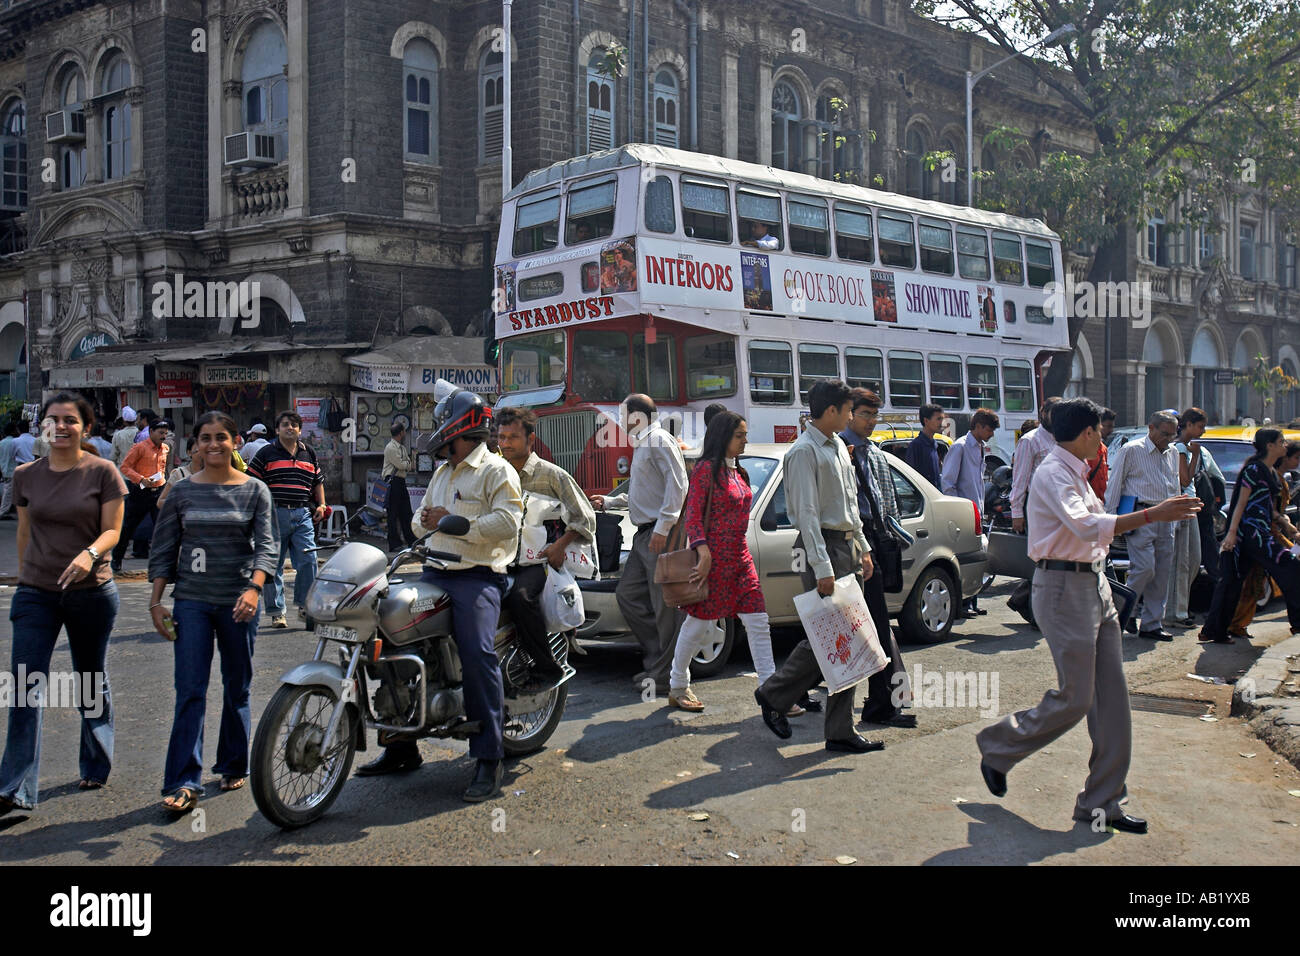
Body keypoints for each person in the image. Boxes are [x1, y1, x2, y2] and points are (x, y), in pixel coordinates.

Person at [977, 398, 1200, 834]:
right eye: (1099, 432)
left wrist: (1151, 513)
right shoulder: (1053, 473)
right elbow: (1085, 527)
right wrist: (1154, 514)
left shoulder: (1078, 472)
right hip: (1062, 589)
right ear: (1085, 433)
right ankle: (998, 744)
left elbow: (1100, 522)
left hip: (1093, 585)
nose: (1103, 440)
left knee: (1112, 702)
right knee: (1077, 697)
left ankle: (1103, 801)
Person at [357, 387, 523, 803]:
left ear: (462, 428)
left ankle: (489, 757)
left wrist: (457, 523)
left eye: (443, 424)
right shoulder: (442, 472)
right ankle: (400, 746)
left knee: (478, 653)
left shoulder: (495, 471)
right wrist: (428, 521)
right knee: (387, 634)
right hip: (433, 569)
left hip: (478, 575)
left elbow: (508, 522)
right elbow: (418, 522)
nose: (437, 434)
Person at [0, 393, 126, 816]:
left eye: (70, 420)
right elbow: (23, 532)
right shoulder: (25, 476)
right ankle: (15, 787)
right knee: (23, 686)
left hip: (91, 591)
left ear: (85, 428)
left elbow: (112, 531)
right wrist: (25, 576)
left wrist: (89, 554)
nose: (61, 426)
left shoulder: (103, 472)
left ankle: (95, 760)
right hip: (37, 592)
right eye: (53, 419)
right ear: (43, 427)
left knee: (90, 679)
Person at [149, 412, 276, 813]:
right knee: (190, 691)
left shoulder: (256, 491)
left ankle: (232, 762)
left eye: (222, 437)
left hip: (240, 603)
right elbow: (164, 549)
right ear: (196, 444)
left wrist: (255, 589)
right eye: (206, 438)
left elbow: (267, 547)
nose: (214, 444)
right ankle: (183, 780)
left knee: (237, 686)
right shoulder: (182, 491)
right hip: (192, 603)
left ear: (236, 442)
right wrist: (156, 601)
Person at [753, 379, 885, 754]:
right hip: (823, 549)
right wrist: (822, 565)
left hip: (845, 547)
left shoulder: (839, 447)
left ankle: (838, 728)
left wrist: (863, 547)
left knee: (849, 641)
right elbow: (807, 517)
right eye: (847, 410)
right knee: (830, 638)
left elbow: (849, 505)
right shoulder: (803, 452)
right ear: (831, 411)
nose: (851, 416)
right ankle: (775, 694)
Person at [665, 412, 777, 711]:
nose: (745, 440)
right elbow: (693, 517)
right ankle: (678, 685)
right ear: (723, 437)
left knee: (758, 622)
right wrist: (702, 552)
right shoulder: (705, 470)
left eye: (745, 435)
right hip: (712, 561)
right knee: (698, 624)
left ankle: (771, 691)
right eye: (739, 435)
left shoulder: (739, 472)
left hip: (740, 558)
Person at [590, 394, 688, 694]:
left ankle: (666, 674)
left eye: (623, 414)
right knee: (628, 595)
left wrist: (664, 526)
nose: (620, 421)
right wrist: (609, 501)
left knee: (665, 608)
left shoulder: (659, 440)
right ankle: (659, 660)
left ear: (637, 416)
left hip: (659, 535)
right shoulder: (644, 443)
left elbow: (679, 484)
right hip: (644, 535)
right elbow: (644, 493)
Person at [496, 407, 596, 691]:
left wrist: (560, 545)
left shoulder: (552, 476)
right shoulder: (493, 473)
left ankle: (546, 667)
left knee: (521, 598)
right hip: (498, 560)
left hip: (537, 563)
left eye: (513, 437)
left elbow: (585, 517)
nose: (505, 443)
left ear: (531, 439)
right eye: (501, 437)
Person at [842, 388, 915, 728]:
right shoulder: (839, 449)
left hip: (875, 541)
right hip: (853, 545)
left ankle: (886, 700)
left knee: (874, 624)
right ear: (848, 413)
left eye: (875, 416)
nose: (871, 422)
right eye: (865, 415)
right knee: (865, 626)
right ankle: (783, 691)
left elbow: (885, 505)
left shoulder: (873, 452)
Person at [1199, 430, 1300, 644]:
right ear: (1270, 446)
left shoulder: (1270, 471)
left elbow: (1265, 506)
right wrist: (1232, 534)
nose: (1285, 446)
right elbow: (1241, 503)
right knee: (1290, 567)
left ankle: (1216, 631)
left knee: (1233, 582)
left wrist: (1284, 523)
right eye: (1281, 442)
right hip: (1249, 535)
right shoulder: (1253, 470)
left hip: (1260, 532)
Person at [247, 411, 327, 630]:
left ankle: (305, 606)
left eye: (294, 425)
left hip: (303, 514)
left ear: (300, 430)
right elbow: (252, 482)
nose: (289, 428)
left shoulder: (308, 453)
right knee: (273, 564)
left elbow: (318, 480)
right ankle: (276, 612)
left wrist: (321, 504)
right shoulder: (266, 453)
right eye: (285, 424)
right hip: (274, 515)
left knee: (309, 561)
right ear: (277, 429)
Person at [1104, 410, 1181, 640]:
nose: (1168, 439)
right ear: (1152, 428)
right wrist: (1110, 520)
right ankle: (1122, 614)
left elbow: (1174, 483)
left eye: (1172, 435)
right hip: (1140, 514)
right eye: (1165, 433)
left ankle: (1151, 624)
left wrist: (1176, 515)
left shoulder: (1173, 452)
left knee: (1162, 572)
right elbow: (1115, 484)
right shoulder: (1132, 450)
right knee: (1144, 568)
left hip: (1165, 516)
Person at [1225, 440, 1300, 638]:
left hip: (1269, 533)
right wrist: (1287, 529)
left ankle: (1237, 623)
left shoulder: (1279, 477)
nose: (1298, 462)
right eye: (1296, 457)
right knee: (1255, 579)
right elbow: (1268, 509)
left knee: (1255, 580)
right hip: (1263, 535)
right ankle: (1235, 623)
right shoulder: (1265, 475)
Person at [1007, 396, 1062, 625]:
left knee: (1056, 562)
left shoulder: (1063, 439)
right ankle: (1036, 611)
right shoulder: (1030, 441)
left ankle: (1025, 600)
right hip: (1036, 507)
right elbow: (1019, 479)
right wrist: (1017, 513)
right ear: (1043, 413)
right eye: (1054, 413)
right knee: (1041, 562)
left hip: (1060, 509)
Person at [942, 407, 1000, 617]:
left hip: (976, 511)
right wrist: (959, 510)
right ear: (978, 426)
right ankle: (963, 604)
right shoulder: (960, 446)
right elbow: (948, 482)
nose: (991, 434)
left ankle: (972, 602)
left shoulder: (979, 447)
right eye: (989, 429)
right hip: (964, 513)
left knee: (975, 559)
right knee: (964, 559)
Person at [111, 418, 172, 572]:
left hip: (158, 491)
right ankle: (116, 559)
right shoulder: (139, 448)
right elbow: (125, 467)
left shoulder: (165, 448)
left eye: (165, 433)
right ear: (151, 432)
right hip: (140, 491)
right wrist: (141, 479)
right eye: (160, 433)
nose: (163, 436)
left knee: (162, 528)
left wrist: (164, 483)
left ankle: (165, 563)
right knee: (128, 527)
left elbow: (163, 469)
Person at [1167, 408, 1209, 627]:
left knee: (1191, 559)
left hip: (1188, 506)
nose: (1202, 431)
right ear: (1189, 424)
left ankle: (1177, 609)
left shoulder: (1183, 447)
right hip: (1183, 505)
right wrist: (1196, 455)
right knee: (1184, 561)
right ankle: (1177, 613)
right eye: (1200, 426)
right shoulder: (1181, 447)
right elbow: (1185, 479)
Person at [382, 422, 418, 553]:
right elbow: (403, 464)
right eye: (404, 431)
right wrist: (408, 464)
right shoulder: (391, 447)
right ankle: (394, 543)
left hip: (401, 481)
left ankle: (411, 540)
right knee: (392, 514)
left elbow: (406, 462)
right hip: (393, 482)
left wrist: (407, 464)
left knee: (406, 512)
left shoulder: (401, 448)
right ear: (401, 432)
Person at [904, 404, 944, 489]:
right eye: (938, 419)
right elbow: (911, 478)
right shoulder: (916, 446)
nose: (941, 423)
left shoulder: (934, 444)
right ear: (926, 421)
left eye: (942, 419)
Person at [1087, 408, 1116, 500]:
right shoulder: (1084, 449)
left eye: (1112, 427)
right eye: (1108, 426)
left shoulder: (1104, 449)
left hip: (1101, 503)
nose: (1111, 430)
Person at [0, 421, 18, 518]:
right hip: (13, 470)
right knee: (8, 492)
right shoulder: (15, 442)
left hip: (4, 470)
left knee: (8, 491)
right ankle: (3, 512)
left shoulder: (1, 443)